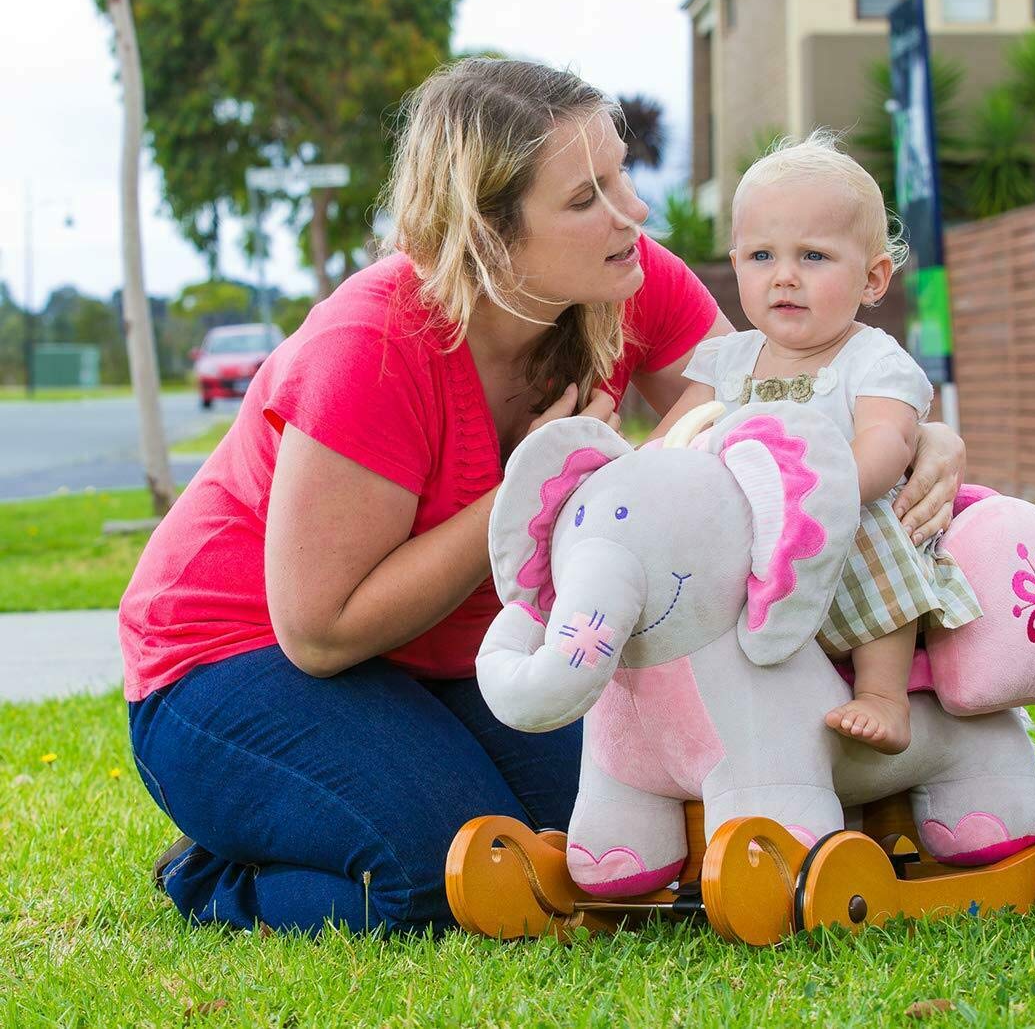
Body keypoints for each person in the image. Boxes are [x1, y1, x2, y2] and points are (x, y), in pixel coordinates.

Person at [121, 60, 967, 937]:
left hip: (435, 667)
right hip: (230, 661)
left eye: (622, 174)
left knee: (611, 858)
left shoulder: (627, 279)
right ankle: (214, 874)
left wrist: (916, 432)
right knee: (450, 885)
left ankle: (369, 788)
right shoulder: (370, 344)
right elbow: (320, 632)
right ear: (488, 232)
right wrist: (523, 487)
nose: (632, 212)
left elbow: (774, 409)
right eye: (585, 197)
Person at [658, 130, 981, 756]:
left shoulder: (872, 359)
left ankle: (883, 695)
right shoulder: (728, 362)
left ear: (873, 277)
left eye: (813, 257)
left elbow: (886, 445)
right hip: (743, 539)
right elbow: (674, 441)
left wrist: (820, 505)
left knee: (880, 532)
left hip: (838, 530)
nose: (784, 277)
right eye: (760, 257)